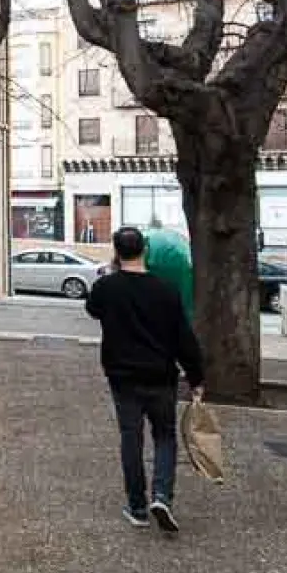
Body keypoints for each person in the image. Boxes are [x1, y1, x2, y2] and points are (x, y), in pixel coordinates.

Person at [83, 227, 206, 532]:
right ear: (144, 250)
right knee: (165, 436)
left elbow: (92, 309)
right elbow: (184, 338)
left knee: (131, 436)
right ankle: (162, 495)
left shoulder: (107, 287)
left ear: (117, 252)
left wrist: (109, 273)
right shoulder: (166, 290)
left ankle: (137, 506)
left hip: (123, 375)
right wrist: (196, 377)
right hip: (161, 375)